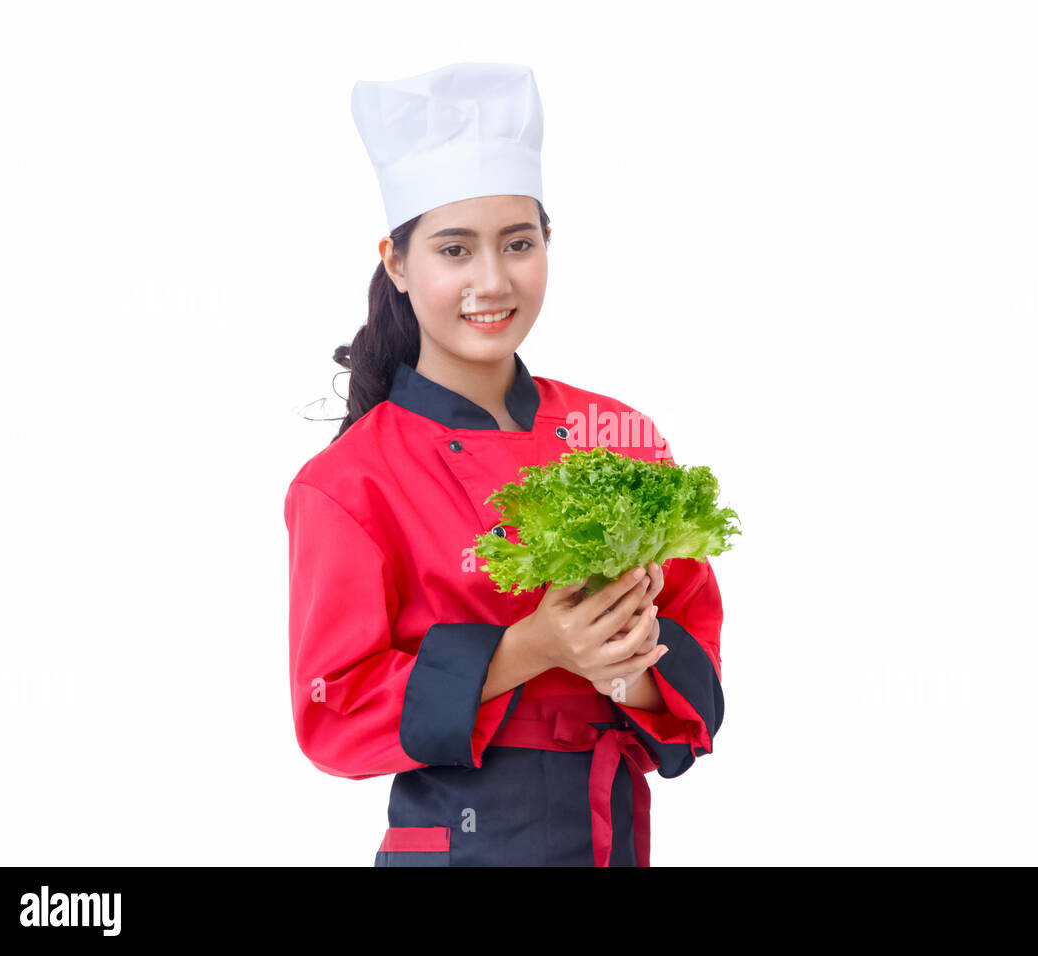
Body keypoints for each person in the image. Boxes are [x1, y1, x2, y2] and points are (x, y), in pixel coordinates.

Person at [284, 62, 725, 866]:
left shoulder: (619, 435)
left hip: (607, 837)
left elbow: (698, 677)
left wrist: (622, 661)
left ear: (547, 243)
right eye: (455, 248)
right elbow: (333, 717)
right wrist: (531, 647)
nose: (493, 281)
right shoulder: (348, 481)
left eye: (518, 243)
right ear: (396, 260)